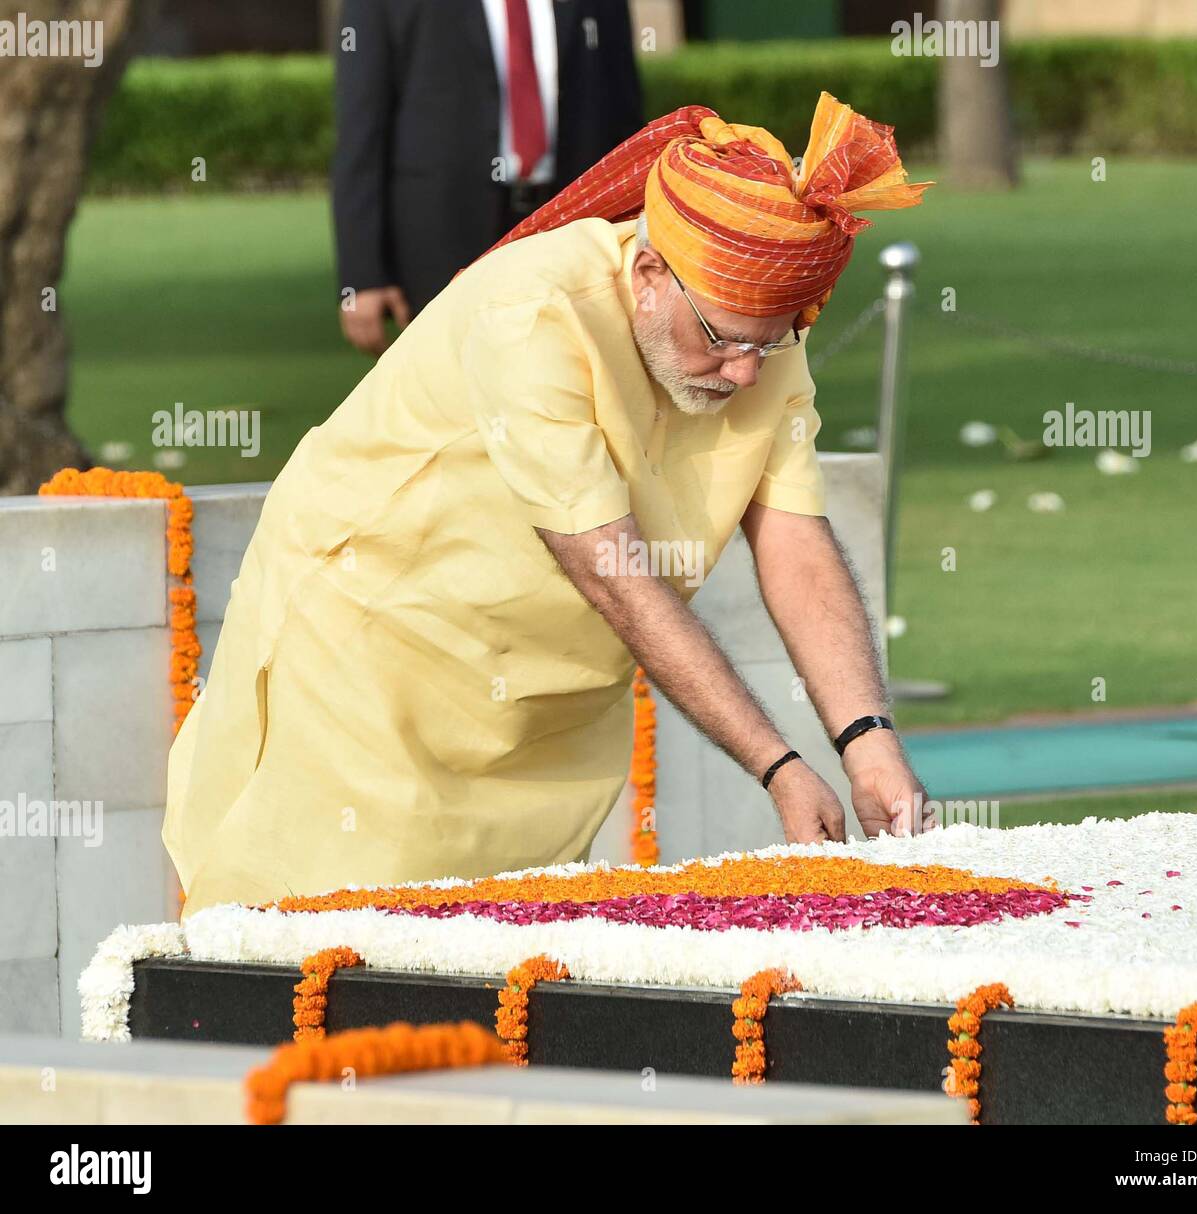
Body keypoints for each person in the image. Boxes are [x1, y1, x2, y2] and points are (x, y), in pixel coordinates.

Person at [165, 92, 935, 917]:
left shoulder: (754, 328)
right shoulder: (531, 313)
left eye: (772, 339)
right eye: (722, 339)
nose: (747, 371)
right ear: (648, 276)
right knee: (334, 949)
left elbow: (795, 541)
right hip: (375, 652)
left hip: (544, 702)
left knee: (504, 978)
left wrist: (868, 742)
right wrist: (778, 765)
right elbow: (613, 574)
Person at [332, 0, 642, 355]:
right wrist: (363, 275)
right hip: (440, 236)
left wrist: (637, 236)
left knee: (564, 380)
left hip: (571, 225)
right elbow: (362, 131)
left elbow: (624, 117)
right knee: (452, 389)